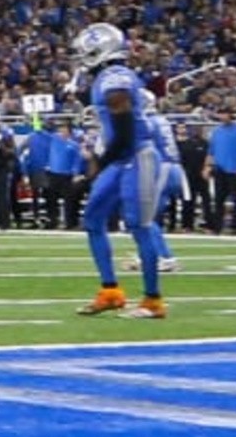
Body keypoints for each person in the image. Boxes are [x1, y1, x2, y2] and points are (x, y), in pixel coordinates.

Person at [69, 23, 170, 321]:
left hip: (137, 155)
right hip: (122, 157)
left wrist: (98, 163)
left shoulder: (115, 78)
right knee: (93, 219)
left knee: (139, 225)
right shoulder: (107, 77)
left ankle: (153, 300)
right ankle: (111, 291)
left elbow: (125, 131)